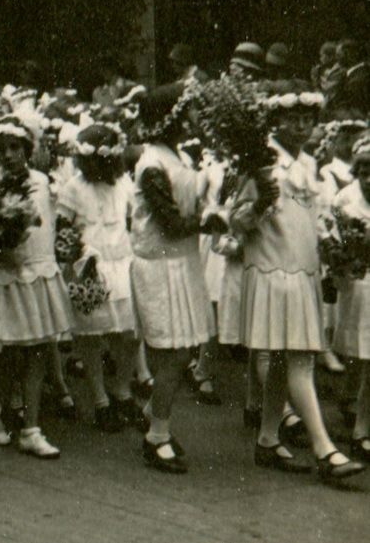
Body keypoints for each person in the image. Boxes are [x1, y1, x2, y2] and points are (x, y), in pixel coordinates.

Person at [229, 86, 365, 483]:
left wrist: (333, 245)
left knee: (284, 364)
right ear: (276, 122)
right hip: (274, 273)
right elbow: (235, 220)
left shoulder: (309, 163)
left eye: (308, 119)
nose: (302, 125)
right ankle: (325, 449)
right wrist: (258, 204)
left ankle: (268, 439)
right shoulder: (260, 164)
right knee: (300, 360)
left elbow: (316, 217)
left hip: (302, 272)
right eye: (293, 119)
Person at [0, 117, 72, 460]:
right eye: (1, 150)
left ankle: (31, 429)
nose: (9, 155)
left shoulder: (43, 183)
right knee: (10, 357)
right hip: (9, 278)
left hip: (40, 273)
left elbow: (53, 223)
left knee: (40, 352)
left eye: (15, 148)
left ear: (28, 150)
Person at [129, 84, 211, 474]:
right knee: (171, 355)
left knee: (183, 352)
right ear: (172, 116)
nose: (194, 117)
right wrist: (209, 220)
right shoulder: (150, 164)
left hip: (182, 263)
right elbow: (171, 223)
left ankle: (154, 417)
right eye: (188, 110)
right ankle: (156, 436)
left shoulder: (177, 156)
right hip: (160, 266)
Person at [56, 123, 141, 432]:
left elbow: (134, 219)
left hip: (123, 263)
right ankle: (100, 398)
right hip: (90, 266)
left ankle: (122, 389)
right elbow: (63, 230)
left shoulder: (123, 184)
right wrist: (81, 255)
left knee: (130, 332)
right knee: (91, 336)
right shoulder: (74, 188)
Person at [330, 135, 370, 462]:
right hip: (357, 284)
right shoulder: (345, 200)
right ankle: (349, 398)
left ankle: (362, 428)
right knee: (359, 352)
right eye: (364, 171)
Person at [330, 39, 369, 117]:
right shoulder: (361, 72)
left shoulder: (357, 81)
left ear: (350, 55)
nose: (336, 59)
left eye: (338, 55)